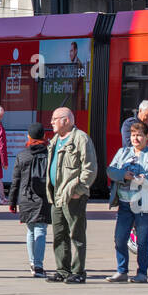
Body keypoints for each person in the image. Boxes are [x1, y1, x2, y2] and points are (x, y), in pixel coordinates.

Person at [105, 121, 148, 283]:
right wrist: (123, 174)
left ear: (147, 137)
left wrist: (145, 178)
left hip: (145, 205)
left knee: (143, 241)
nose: (135, 139)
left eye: (139, 135)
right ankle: (122, 271)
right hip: (125, 204)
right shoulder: (122, 153)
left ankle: (142, 273)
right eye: (133, 135)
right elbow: (110, 170)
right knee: (119, 238)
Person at [46, 106, 98, 284]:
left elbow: (90, 168)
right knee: (59, 234)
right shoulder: (55, 140)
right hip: (56, 195)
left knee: (76, 234)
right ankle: (63, 270)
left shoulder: (81, 139)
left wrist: (79, 191)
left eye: (54, 118)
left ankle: (78, 271)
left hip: (72, 195)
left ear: (66, 120)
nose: (51, 122)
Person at [8, 120, 51, 276]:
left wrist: (12, 202)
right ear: (44, 135)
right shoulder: (49, 154)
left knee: (31, 230)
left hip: (26, 197)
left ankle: (33, 263)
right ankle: (38, 266)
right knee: (41, 229)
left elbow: (15, 181)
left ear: (28, 136)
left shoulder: (22, 155)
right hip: (43, 197)